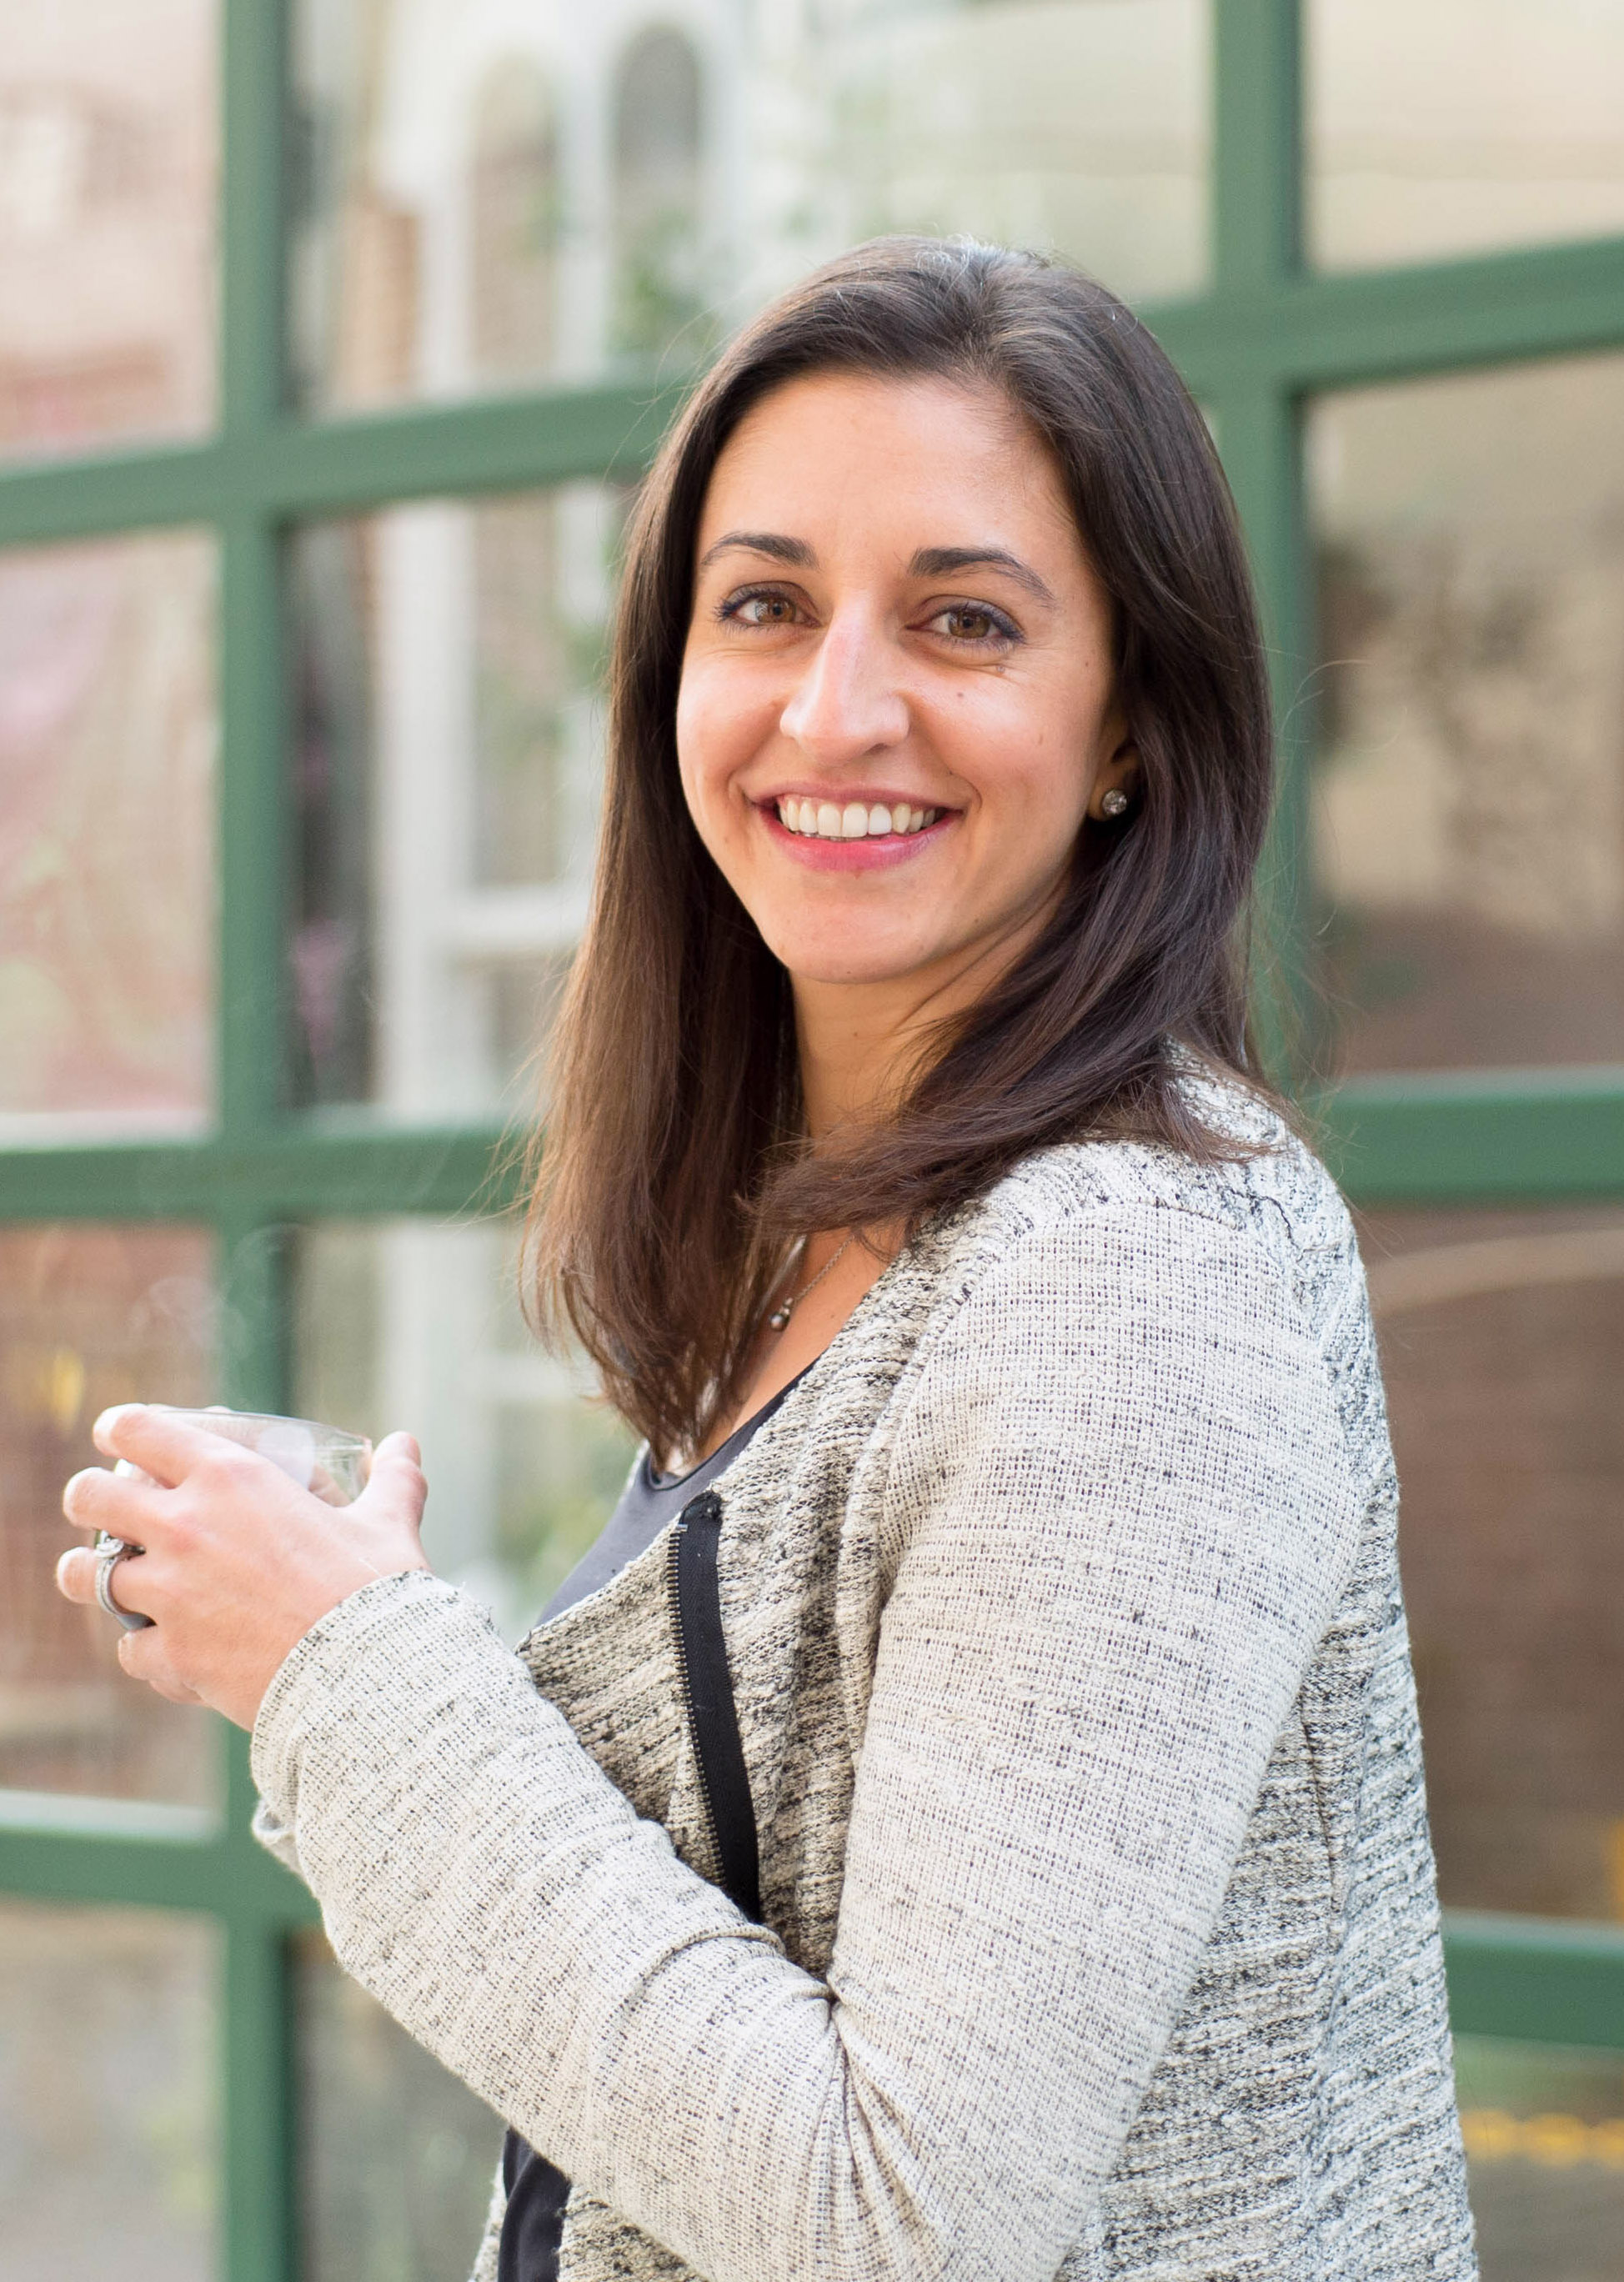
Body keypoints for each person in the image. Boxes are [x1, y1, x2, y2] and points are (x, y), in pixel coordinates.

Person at [59, 238, 1476, 2282]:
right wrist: (335, 1629)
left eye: (963, 620)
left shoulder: (1126, 1280)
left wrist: (344, 1677)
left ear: (1124, 731)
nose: (836, 707)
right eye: (764, 605)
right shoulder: (844, 1223)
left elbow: (901, 2219)